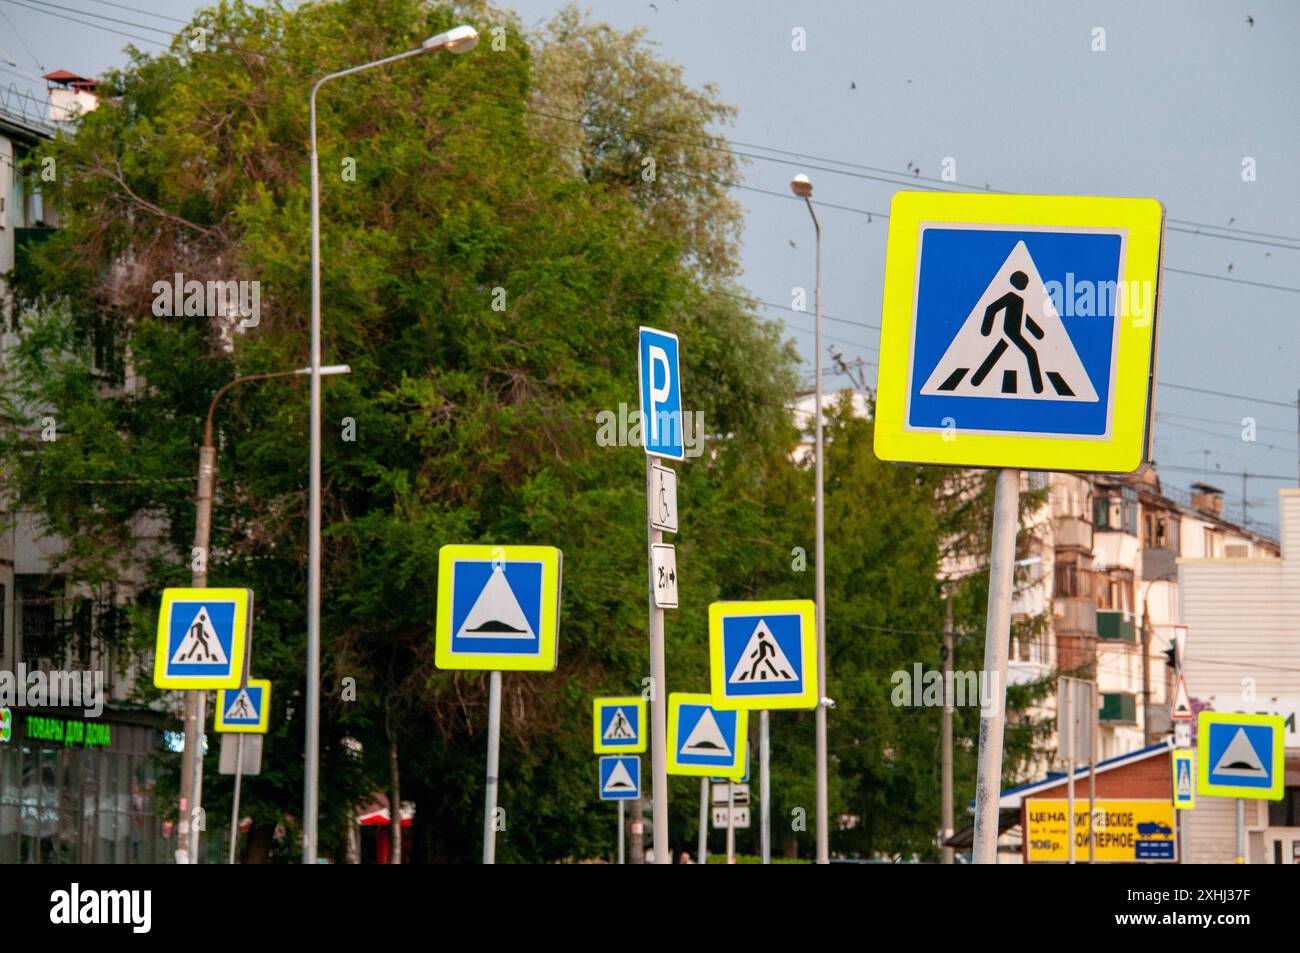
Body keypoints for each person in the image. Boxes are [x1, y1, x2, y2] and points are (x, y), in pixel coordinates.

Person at [972, 270, 1046, 393]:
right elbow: (992, 309)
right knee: (1031, 353)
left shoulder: (1019, 299)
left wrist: (1038, 332)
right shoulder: (1011, 297)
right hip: (1011, 332)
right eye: (1024, 282)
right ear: (1018, 283)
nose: (1026, 284)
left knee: (996, 354)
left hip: (1013, 332)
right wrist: (986, 329)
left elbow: (1024, 318)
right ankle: (1038, 389)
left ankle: (976, 380)